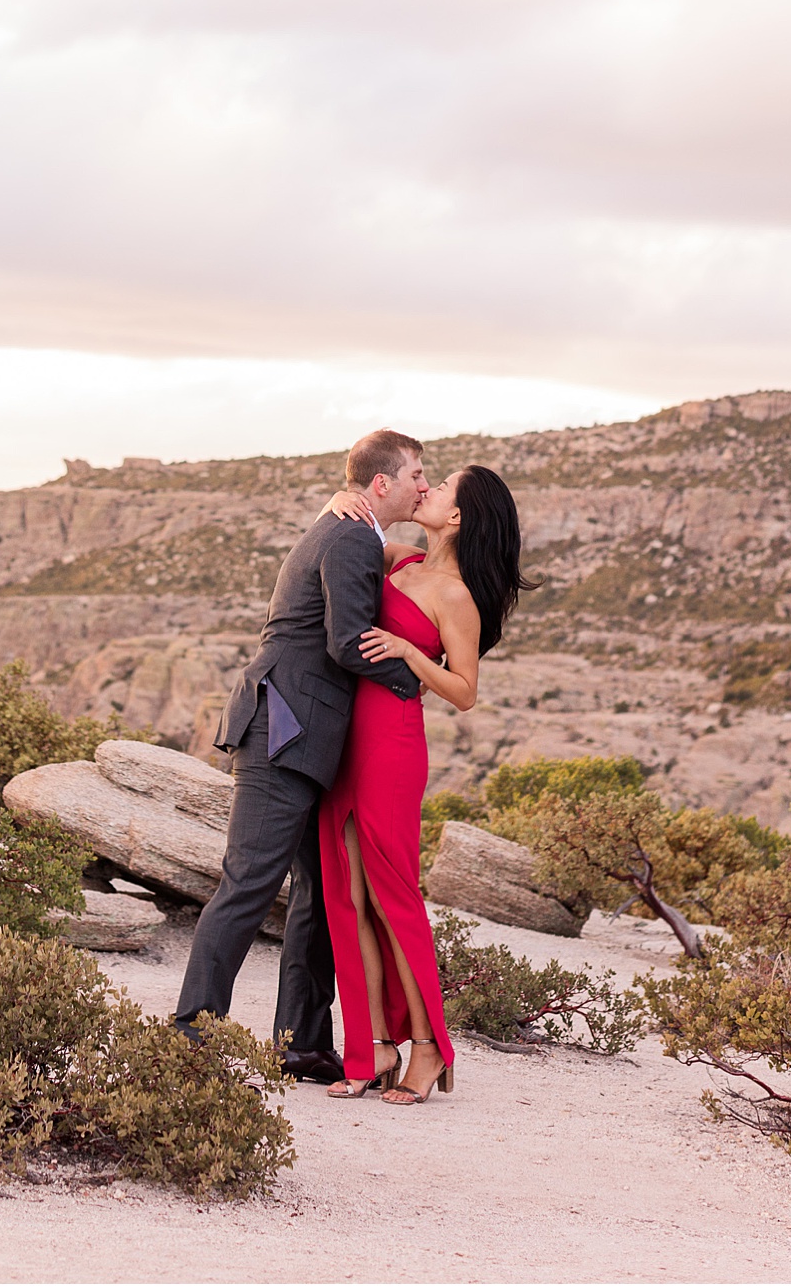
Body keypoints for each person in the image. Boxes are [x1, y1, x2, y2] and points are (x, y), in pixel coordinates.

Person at [173, 430, 431, 1080]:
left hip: (309, 738)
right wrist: (416, 683)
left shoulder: (355, 529)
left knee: (319, 892)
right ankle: (189, 1038)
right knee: (249, 884)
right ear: (381, 483)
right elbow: (347, 642)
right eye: (416, 475)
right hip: (282, 727)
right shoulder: (347, 534)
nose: (423, 486)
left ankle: (303, 1043)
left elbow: (386, 566)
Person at [318, 465, 525, 1104]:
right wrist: (339, 500)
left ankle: (431, 1046)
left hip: (393, 742)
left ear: (458, 517)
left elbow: (465, 692)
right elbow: (347, 535)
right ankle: (374, 1044)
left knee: (390, 893)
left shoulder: (456, 595)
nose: (426, 490)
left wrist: (411, 654)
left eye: (441, 489)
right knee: (345, 889)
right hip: (347, 734)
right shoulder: (401, 559)